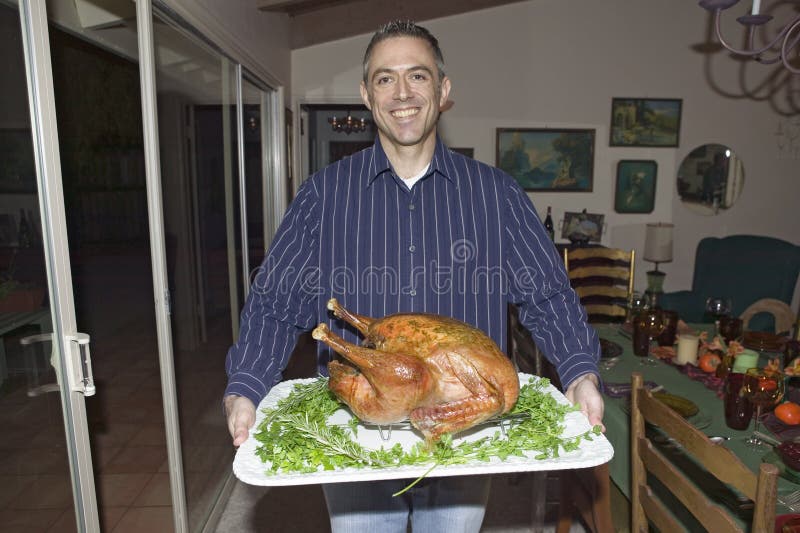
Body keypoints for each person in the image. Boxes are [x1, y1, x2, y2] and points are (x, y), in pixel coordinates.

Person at [224, 20, 604, 532]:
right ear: (366, 94)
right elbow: (274, 302)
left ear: (443, 91)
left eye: (418, 77)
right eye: (385, 79)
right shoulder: (323, 195)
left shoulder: (497, 195)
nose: (402, 93)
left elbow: (549, 294)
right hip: (357, 426)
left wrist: (580, 372)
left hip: (463, 428)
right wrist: (245, 387)